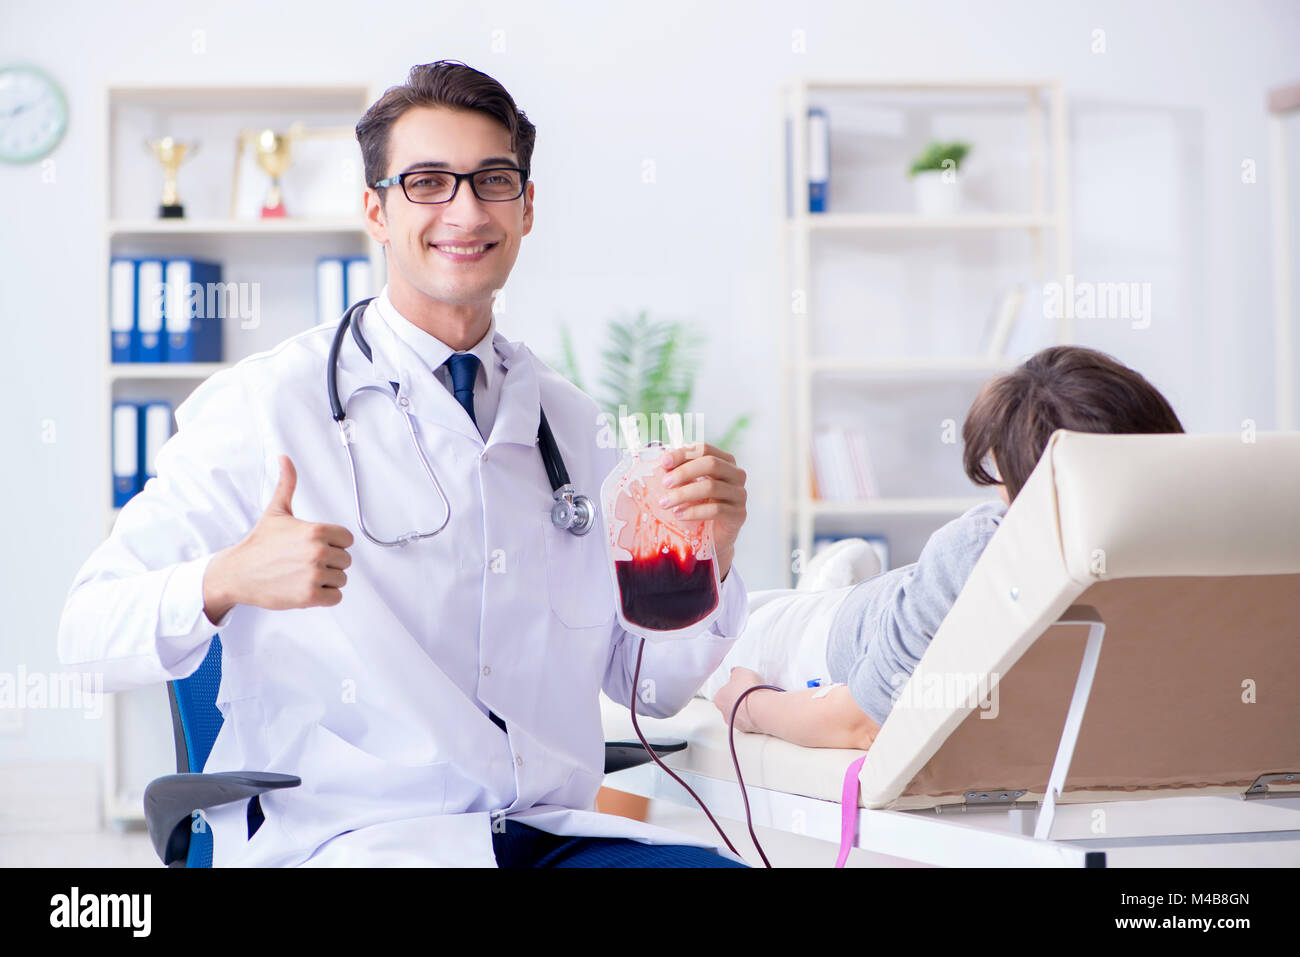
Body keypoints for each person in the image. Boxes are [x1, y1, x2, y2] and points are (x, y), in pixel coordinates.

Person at [58, 61, 752, 868]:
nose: (464, 208)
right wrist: (225, 578)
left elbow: (649, 688)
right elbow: (86, 635)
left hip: (548, 833)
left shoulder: (576, 427)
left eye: (493, 180)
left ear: (527, 209)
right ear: (375, 212)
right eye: (426, 181)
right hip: (353, 839)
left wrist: (714, 554)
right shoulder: (266, 405)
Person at [707, 345, 1185, 750]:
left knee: (897, 590)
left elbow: (861, 722)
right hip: (815, 639)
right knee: (705, 637)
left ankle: (838, 577)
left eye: (1004, 474)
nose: (1001, 493)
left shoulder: (990, 552)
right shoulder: (1204, 537)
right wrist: (750, 703)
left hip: (898, 606)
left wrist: (751, 709)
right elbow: (857, 717)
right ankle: (834, 583)